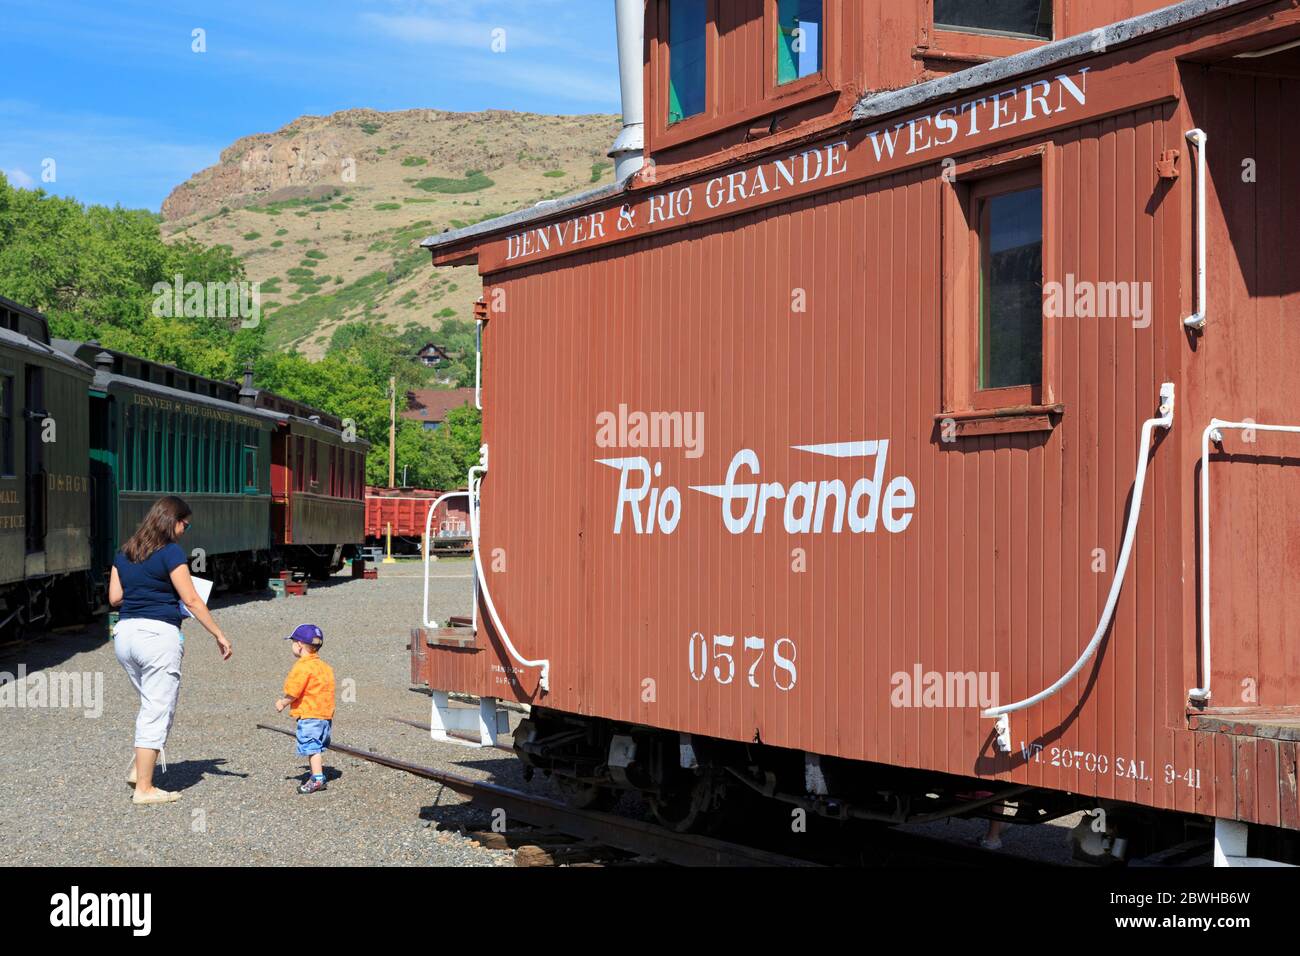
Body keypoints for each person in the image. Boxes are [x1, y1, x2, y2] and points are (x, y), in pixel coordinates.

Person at [109, 495, 232, 806]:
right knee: (156, 708)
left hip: (124, 635)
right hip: (157, 636)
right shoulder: (171, 552)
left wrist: (143, 590)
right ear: (172, 521)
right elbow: (191, 600)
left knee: (153, 703)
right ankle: (145, 789)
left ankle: (140, 768)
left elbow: (114, 598)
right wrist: (218, 634)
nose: (184, 531)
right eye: (184, 525)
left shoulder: (125, 551)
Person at [274, 623, 335, 794]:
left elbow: (294, 691)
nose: (292, 646)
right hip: (325, 715)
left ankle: (317, 778)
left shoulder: (302, 666)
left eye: (292, 642)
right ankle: (316, 776)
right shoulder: (325, 667)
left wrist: (282, 702)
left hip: (310, 714)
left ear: (300, 644)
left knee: (312, 747)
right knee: (316, 746)